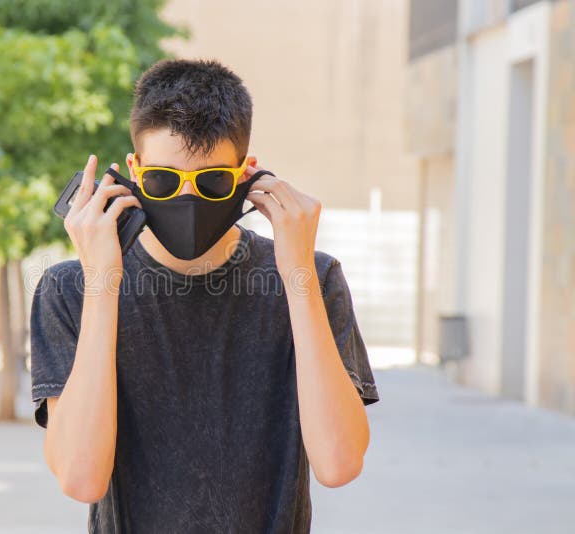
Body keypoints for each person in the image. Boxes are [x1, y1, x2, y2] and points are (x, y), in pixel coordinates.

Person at [30, 58, 380, 533]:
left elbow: (339, 464)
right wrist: (103, 283)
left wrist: (296, 273)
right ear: (134, 171)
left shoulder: (312, 277)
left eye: (212, 181)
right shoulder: (71, 288)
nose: (187, 200)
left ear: (247, 174)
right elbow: (80, 477)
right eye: (163, 180)